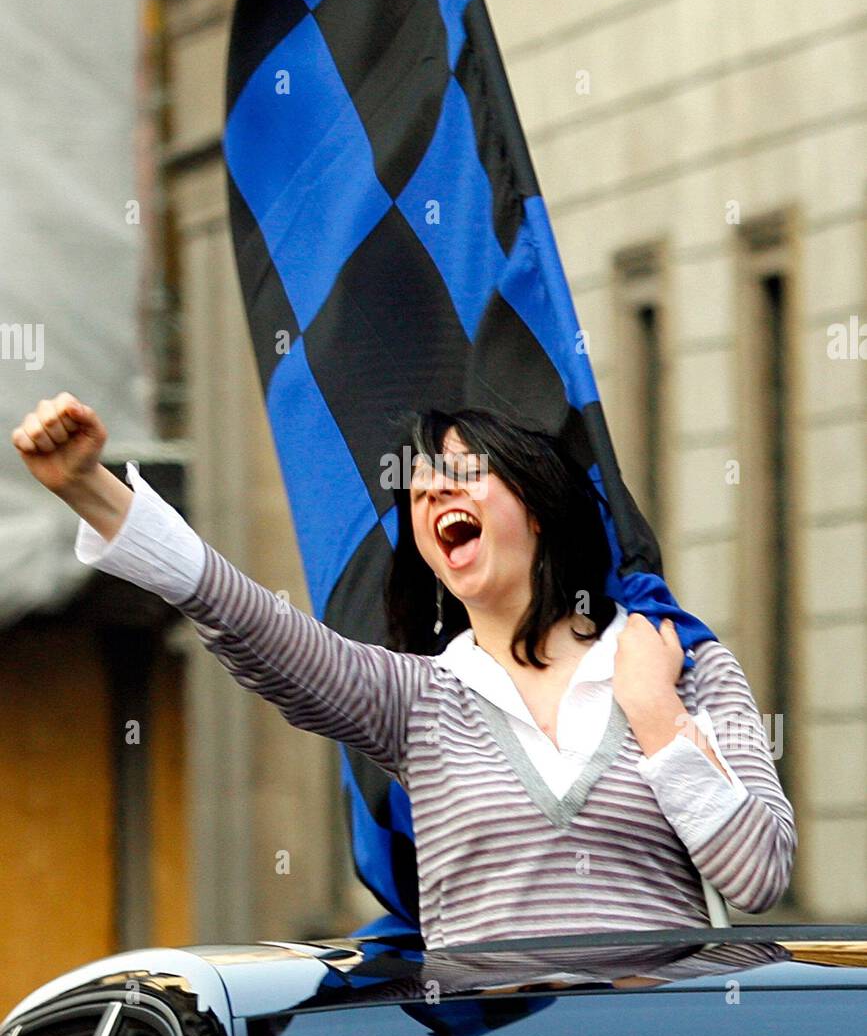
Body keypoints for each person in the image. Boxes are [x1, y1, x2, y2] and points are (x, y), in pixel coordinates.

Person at [11, 392, 796, 950]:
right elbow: (253, 623)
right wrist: (93, 491)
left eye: (463, 472)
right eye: (419, 490)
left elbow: (757, 877)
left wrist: (655, 713)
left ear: (541, 503)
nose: (431, 495)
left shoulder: (684, 665)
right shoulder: (417, 700)